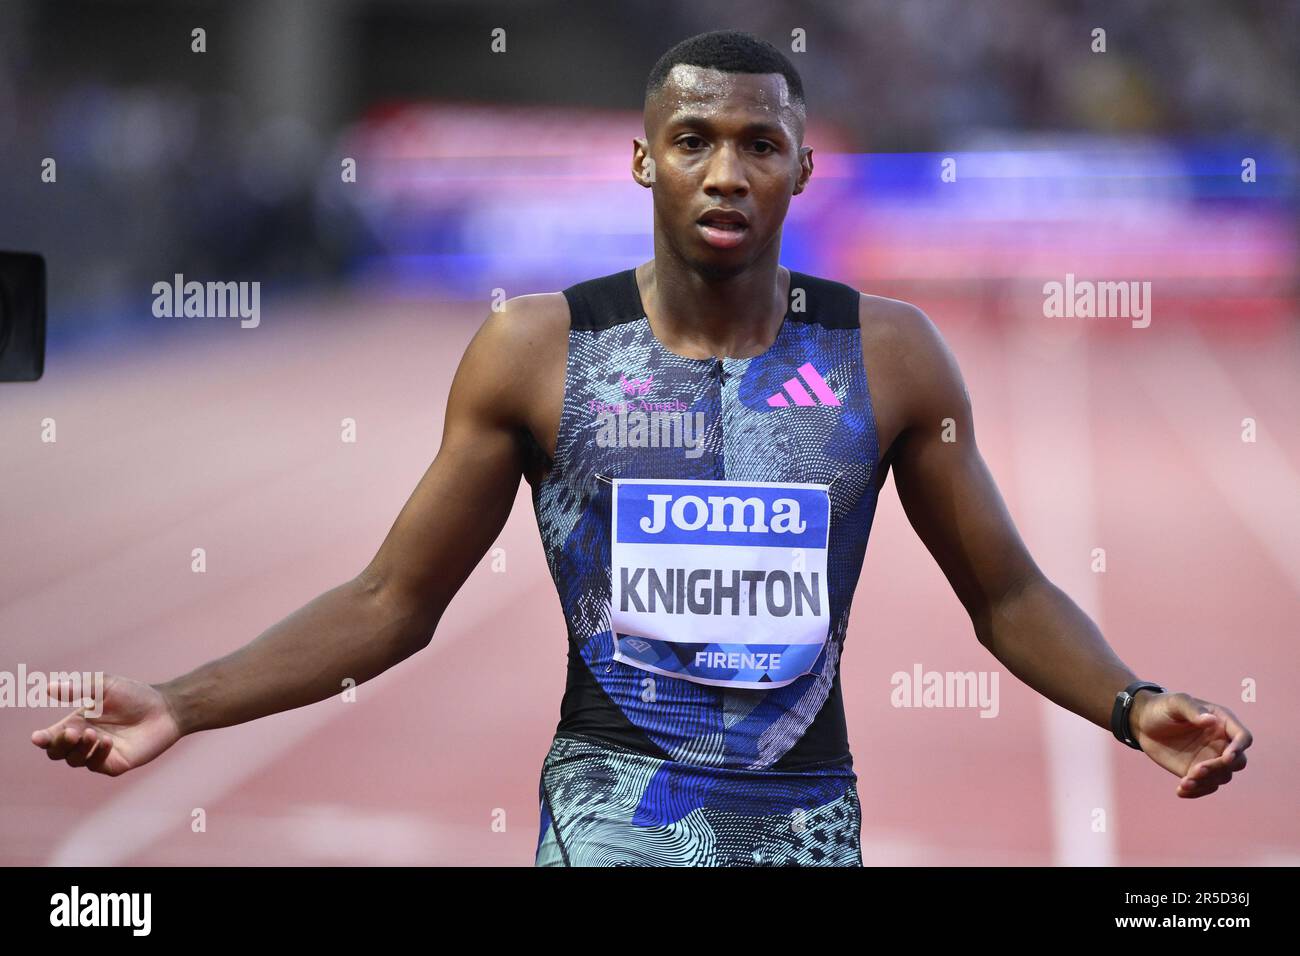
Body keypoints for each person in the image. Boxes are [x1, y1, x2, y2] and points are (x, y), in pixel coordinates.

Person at [31, 30, 1252, 867]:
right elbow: (392, 600)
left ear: (804, 168)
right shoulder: (536, 350)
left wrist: (1128, 702)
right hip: (607, 816)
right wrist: (181, 703)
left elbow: (1007, 592)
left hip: (805, 821)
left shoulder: (889, 352)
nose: (725, 172)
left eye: (759, 144)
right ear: (641, 159)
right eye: (693, 139)